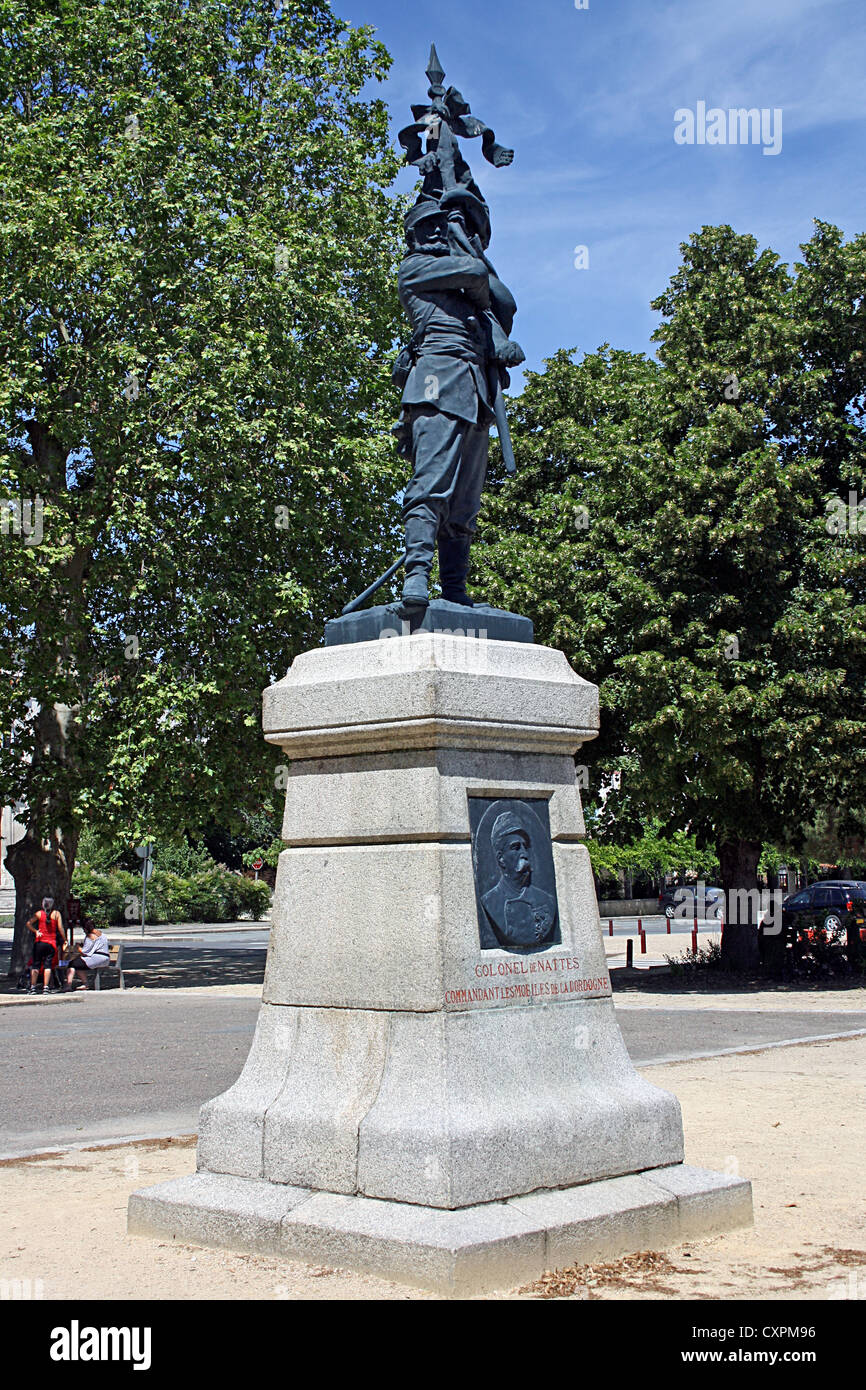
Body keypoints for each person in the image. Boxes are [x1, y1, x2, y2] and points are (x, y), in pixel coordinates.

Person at [393, 198, 524, 614]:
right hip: (436, 384)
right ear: (413, 235)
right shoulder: (415, 269)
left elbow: (506, 303)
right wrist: (460, 242)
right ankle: (416, 575)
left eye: (442, 226)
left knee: (465, 500)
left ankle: (453, 588)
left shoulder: (472, 300)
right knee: (430, 484)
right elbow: (473, 272)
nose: (437, 232)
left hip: (476, 394)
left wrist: (472, 246)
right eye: (428, 227)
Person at [480, 810, 558, 950]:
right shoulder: (490, 901)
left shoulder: (546, 900)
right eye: (515, 847)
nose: (524, 853)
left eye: (525, 847)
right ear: (501, 858)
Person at [27, 897, 66, 995]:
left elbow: (28, 923)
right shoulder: (56, 914)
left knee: (36, 965)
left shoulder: (39, 913)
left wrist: (36, 931)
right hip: (51, 943)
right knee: (48, 965)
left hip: (40, 942)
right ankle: (46, 987)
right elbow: (60, 928)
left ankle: (33, 987)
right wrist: (64, 939)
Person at [63, 918, 110, 991]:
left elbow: (84, 952)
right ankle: (85, 984)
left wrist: (78, 947)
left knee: (72, 964)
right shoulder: (102, 935)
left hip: (96, 958)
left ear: (86, 928)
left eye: (83, 929)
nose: (83, 931)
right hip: (106, 959)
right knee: (78, 964)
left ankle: (68, 985)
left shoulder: (90, 936)